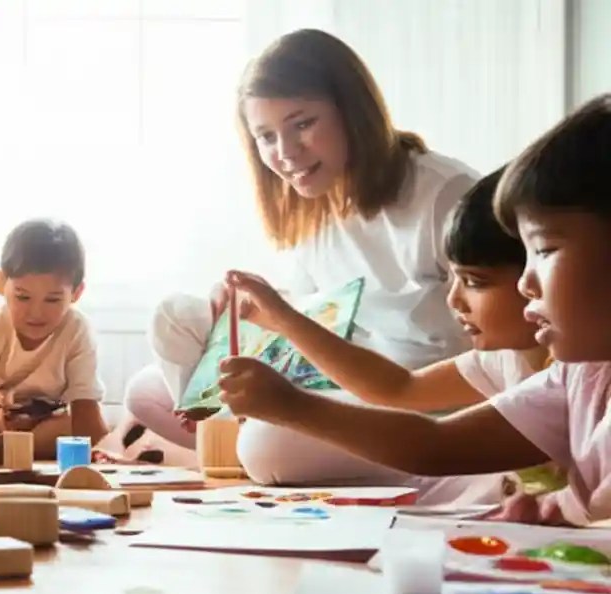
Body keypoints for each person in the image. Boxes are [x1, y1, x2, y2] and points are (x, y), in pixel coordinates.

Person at [217, 94, 611, 526]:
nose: (525, 283)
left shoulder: (438, 184)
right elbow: (433, 440)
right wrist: (289, 398)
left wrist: (555, 515)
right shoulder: (580, 373)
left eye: (546, 250)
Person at [120, 28, 476, 466]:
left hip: (417, 398)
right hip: (340, 374)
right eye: (266, 137)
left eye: (303, 124)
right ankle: (236, 448)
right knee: (148, 383)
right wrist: (253, 308)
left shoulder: (445, 194)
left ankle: (246, 451)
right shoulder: (313, 204)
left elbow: (507, 346)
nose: (286, 152)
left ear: (353, 110)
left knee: (268, 445)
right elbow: (319, 319)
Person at [229, 167, 562, 503]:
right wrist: (284, 319)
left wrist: (292, 406)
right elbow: (398, 386)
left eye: (475, 282)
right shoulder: (504, 359)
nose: (454, 300)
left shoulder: (569, 377)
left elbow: (435, 446)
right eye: (453, 280)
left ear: (535, 280)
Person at [0, 219, 107, 459]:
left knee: (74, 425)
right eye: (23, 297)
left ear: (76, 293)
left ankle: (2, 451)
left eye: (52, 300)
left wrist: (97, 445)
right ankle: (9, 448)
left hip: (48, 420)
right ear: (1, 283)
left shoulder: (77, 330)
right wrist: (3, 429)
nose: (36, 313)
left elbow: (85, 408)